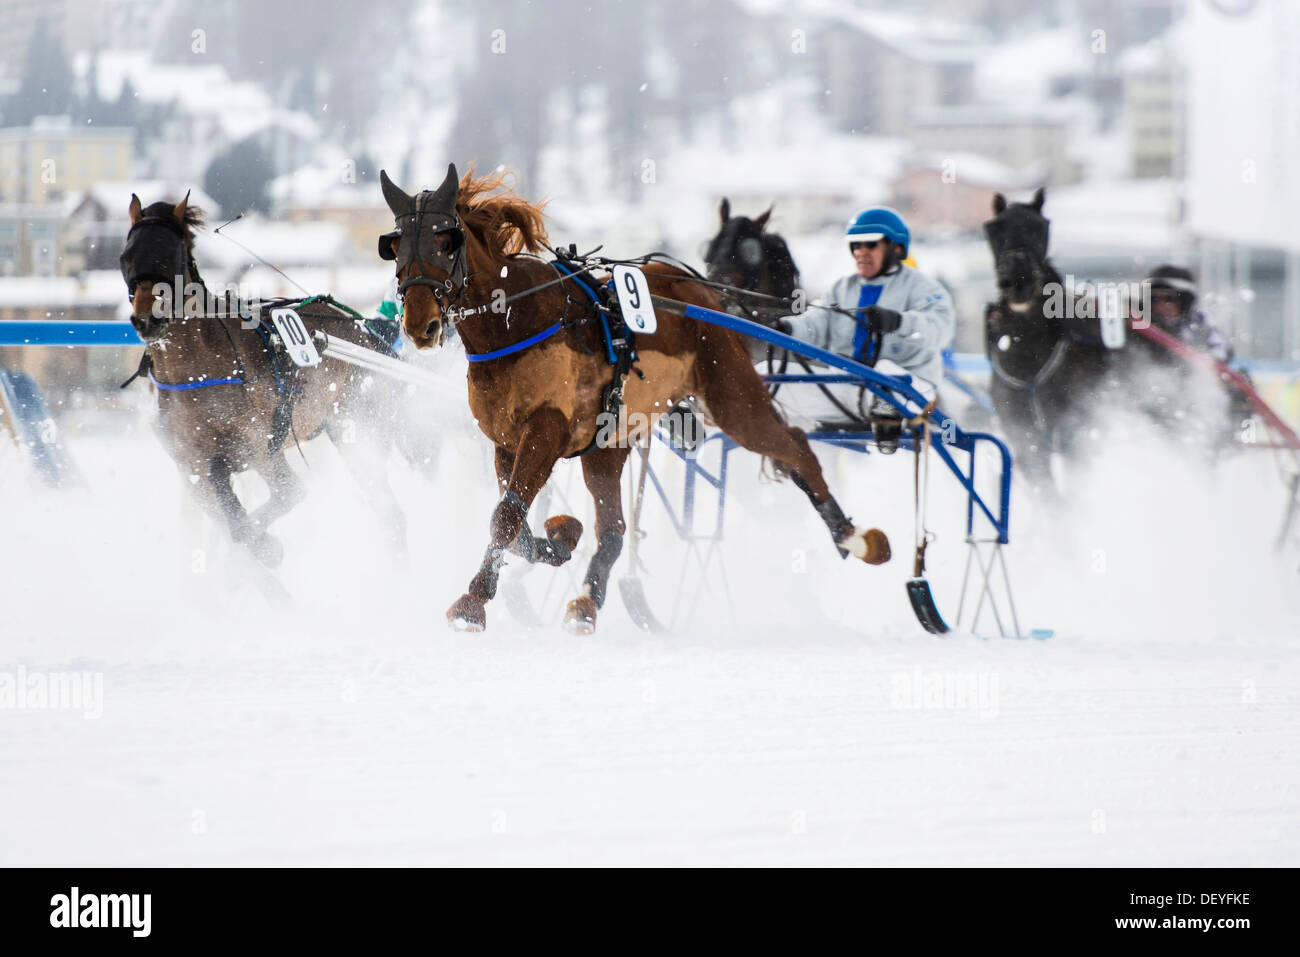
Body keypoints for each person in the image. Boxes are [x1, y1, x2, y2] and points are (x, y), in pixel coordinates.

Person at [774, 207, 955, 452]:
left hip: (907, 390)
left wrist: (898, 322)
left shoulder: (923, 288)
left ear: (897, 248)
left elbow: (941, 330)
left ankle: (888, 425)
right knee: (765, 375)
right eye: (855, 245)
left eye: (870, 245)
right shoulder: (841, 288)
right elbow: (814, 323)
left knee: (885, 371)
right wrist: (786, 328)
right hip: (847, 388)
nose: (861, 252)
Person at [1143, 265, 1232, 363]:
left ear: (1184, 301)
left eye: (1169, 299)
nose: (1161, 305)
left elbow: (1221, 350)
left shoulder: (1199, 323)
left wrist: (1205, 361)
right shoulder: (1138, 326)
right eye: (1154, 299)